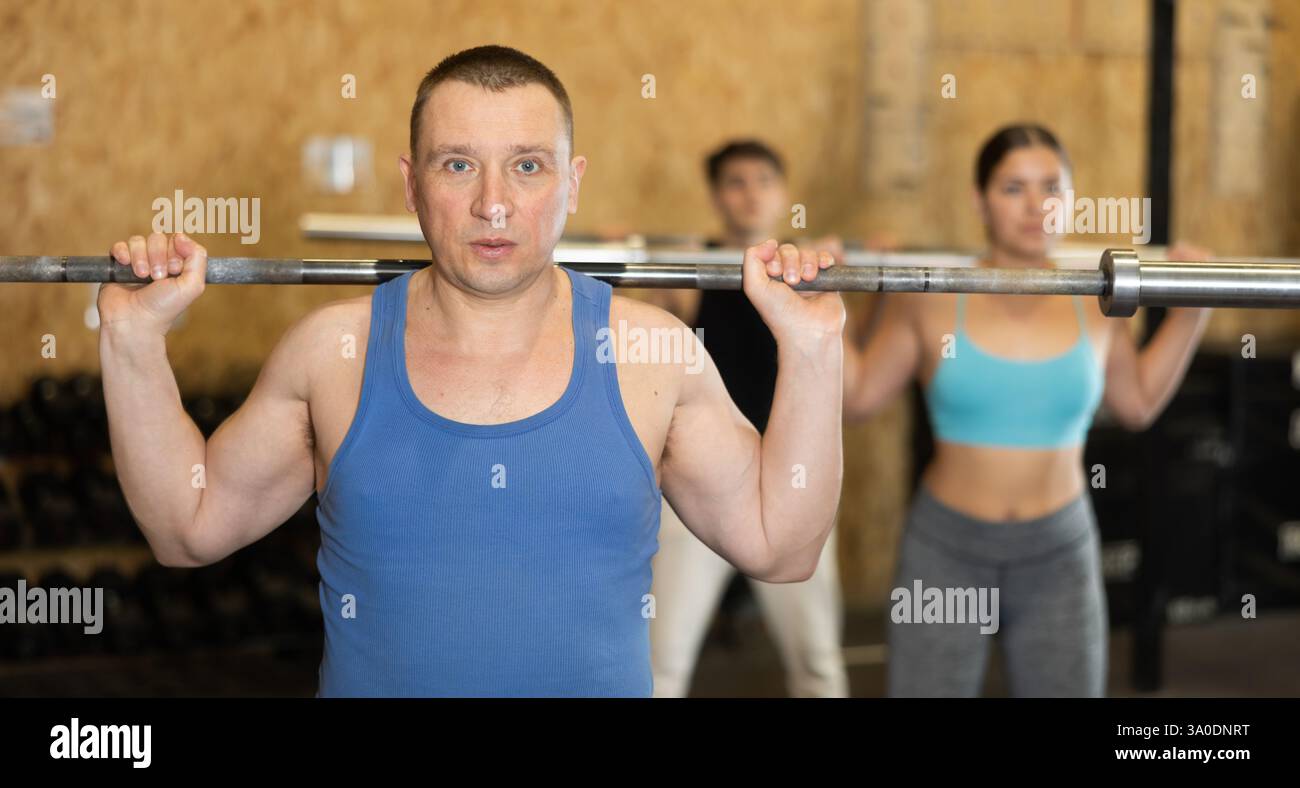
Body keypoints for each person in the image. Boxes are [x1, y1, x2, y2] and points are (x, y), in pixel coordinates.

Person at [96, 45, 846, 697]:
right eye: (458, 165)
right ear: (412, 183)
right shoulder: (332, 355)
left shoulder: (655, 355)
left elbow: (783, 549)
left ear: (573, 182)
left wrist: (811, 353)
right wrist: (132, 344)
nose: (494, 204)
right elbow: (186, 529)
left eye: (527, 166)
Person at [842, 123, 1212, 697]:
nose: (1035, 206)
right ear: (978, 200)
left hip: (1059, 551)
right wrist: (824, 302)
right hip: (947, 551)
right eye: (1013, 188)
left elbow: (1136, 403)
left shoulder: (1100, 297)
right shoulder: (930, 296)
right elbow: (859, 396)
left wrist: (1194, 305)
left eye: (1051, 188)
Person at [647, 140, 849, 697]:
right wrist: (638, 254)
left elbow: (851, 385)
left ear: (782, 193)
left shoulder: (809, 273)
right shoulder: (690, 271)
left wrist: (853, 275)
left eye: (763, 180)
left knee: (818, 662)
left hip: (792, 478)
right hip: (699, 481)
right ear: (717, 196)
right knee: (662, 665)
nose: (751, 192)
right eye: (736, 182)